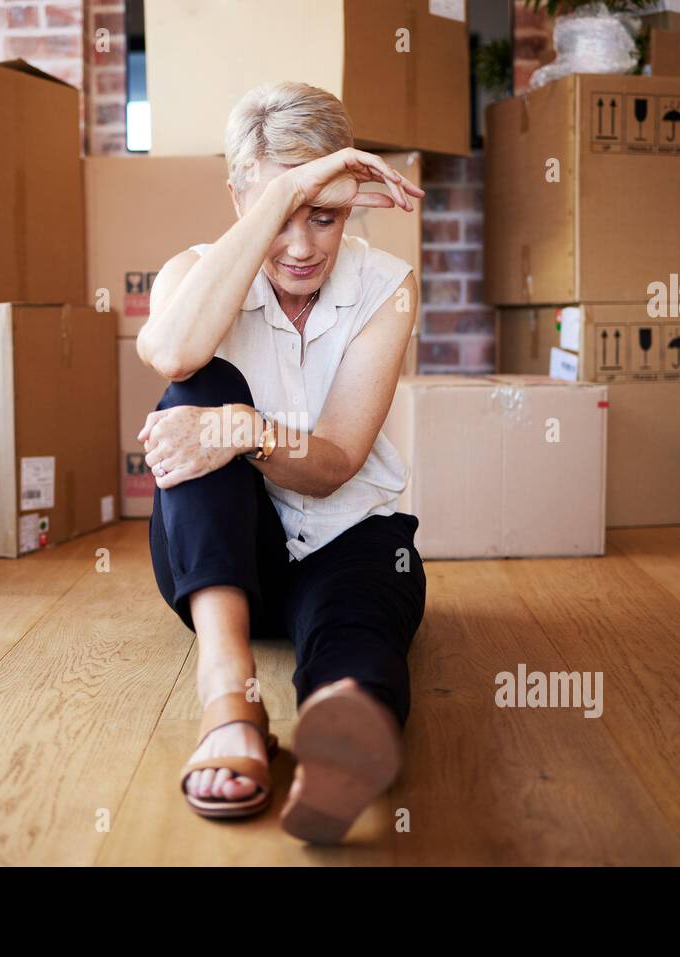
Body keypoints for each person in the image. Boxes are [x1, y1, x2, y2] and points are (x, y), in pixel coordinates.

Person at [134, 81, 427, 844]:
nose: (301, 247)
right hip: (227, 557)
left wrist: (243, 431)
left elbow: (333, 462)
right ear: (240, 201)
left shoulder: (386, 289)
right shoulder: (190, 274)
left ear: (353, 199)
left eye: (324, 215)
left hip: (347, 535)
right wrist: (293, 186)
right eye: (278, 215)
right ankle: (227, 699)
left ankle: (343, 750)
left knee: (360, 627)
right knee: (198, 384)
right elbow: (169, 352)